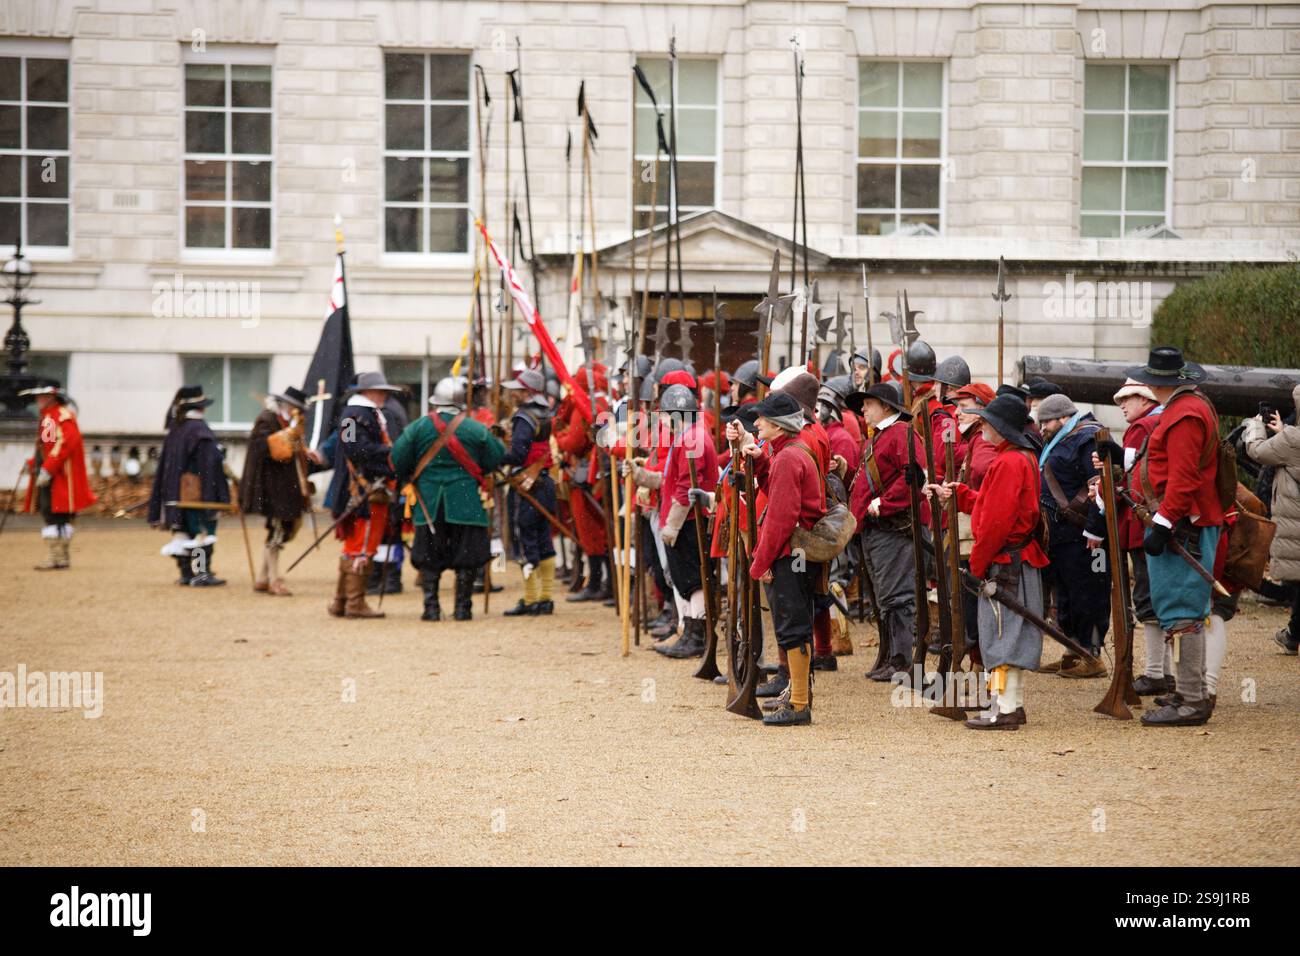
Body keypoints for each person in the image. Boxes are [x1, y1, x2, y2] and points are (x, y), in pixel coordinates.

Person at [928, 394, 1048, 729]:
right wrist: (963, 495)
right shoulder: (1019, 458)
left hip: (1005, 562)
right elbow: (993, 504)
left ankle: (1004, 710)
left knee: (1002, 634)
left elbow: (996, 523)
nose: (982, 426)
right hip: (1016, 558)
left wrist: (976, 567)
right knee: (1010, 633)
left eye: (987, 422)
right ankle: (1012, 704)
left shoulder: (1007, 462)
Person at [1125, 347, 1225, 727]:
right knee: (1181, 612)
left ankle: (1191, 699)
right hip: (1183, 522)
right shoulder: (1187, 407)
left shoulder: (1185, 414)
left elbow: (1184, 479)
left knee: (1184, 614)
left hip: (1184, 526)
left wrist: (1164, 523)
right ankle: (1188, 691)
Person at [732, 390, 825, 726]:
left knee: (793, 626)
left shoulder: (788, 457)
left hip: (790, 553)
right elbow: (776, 491)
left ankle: (799, 704)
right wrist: (761, 462)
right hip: (795, 551)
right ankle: (797, 697)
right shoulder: (788, 452)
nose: (757, 423)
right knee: (794, 625)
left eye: (763, 418)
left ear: (778, 425)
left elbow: (781, 518)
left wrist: (760, 562)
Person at [391, 376, 506, 622]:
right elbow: (496, 457)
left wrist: (410, 475)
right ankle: (463, 608)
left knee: (429, 557)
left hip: (429, 501)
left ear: (435, 402)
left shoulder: (418, 427)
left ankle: (431, 608)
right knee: (467, 557)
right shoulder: (476, 429)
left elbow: (398, 458)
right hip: (465, 501)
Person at [1084, 379, 1167, 693]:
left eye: (1129, 398)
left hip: (1141, 524)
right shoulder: (1160, 422)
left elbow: (1131, 482)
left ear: (1145, 399)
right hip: (1157, 521)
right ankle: (1163, 673)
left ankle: (1157, 673)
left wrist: (1105, 482)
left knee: (1147, 599)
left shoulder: (1141, 427)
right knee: (1157, 597)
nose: (1122, 404)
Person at [626, 383, 719, 658]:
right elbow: (668, 480)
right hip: (685, 521)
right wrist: (640, 475)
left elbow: (686, 490)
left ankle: (697, 635)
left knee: (694, 580)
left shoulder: (692, 439)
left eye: (665, 415)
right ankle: (690, 631)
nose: (663, 420)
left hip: (691, 523)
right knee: (685, 579)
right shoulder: (687, 436)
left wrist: (672, 527)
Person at [847, 381, 928, 682]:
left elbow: (915, 478)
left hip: (893, 528)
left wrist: (884, 503)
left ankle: (901, 660)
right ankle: (891, 657)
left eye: (868, 404)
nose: (863, 410)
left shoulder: (902, 433)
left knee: (897, 596)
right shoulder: (880, 437)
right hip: (876, 528)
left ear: (886, 407)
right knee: (885, 597)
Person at [1035, 392, 1109, 677]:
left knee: (1088, 593)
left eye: (1047, 422)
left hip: (1084, 536)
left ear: (1064, 417)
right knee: (1066, 594)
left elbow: (1100, 489)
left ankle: (1091, 655)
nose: (1042, 427)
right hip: (1064, 536)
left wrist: (1095, 529)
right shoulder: (1062, 438)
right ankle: (1072, 650)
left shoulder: (1087, 438)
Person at [323, 371, 402, 619]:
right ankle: (355, 603)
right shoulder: (352, 415)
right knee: (362, 544)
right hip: (362, 489)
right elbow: (353, 448)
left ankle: (341, 601)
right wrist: (389, 452)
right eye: (380, 391)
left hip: (369, 486)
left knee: (356, 545)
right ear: (367, 392)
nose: (384, 395)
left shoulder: (367, 414)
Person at [147, 385, 231, 587]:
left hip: (176, 491)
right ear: (200, 407)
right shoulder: (199, 430)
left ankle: (186, 573)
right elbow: (209, 463)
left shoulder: (177, 428)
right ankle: (201, 573)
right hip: (197, 492)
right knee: (202, 532)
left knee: (183, 530)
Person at [1241, 384, 1300, 655]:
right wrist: (1284, 431)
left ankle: (1294, 635)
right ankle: (1293, 635)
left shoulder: (1293, 440)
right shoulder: (1291, 438)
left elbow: (1257, 451)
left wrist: (1254, 426)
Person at [498, 367, 559, 617]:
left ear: (527, 392)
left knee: (526, 540)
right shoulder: (545, 414)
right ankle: (545, 598)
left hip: (527, 486)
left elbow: (518, 454)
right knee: (543, 539)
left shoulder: (524, 417)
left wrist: (495, 454)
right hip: (544, 483)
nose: (513, 394)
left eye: (518, 390)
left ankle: (532, 598)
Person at [239, 385, 310, 596]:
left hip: (286, 487)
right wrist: (287, 435)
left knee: (281, 530)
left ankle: (263, 578)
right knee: (277, 531)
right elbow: (263, 448)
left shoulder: (289, 422)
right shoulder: (268, 420)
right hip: (272, 487)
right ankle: (273, 579)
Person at [19, 385, 96, 570]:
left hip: (60, 476)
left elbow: (67, 443)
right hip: (51, 473)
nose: (38, 400)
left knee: (58, 514)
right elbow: (46, 446)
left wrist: (48, 468)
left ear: (51, 397)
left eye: (42, 396)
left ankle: (58, 555)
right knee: (51, 512)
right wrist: (33, 463)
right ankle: (59, 556)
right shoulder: (48, 416)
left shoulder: (61, 415)